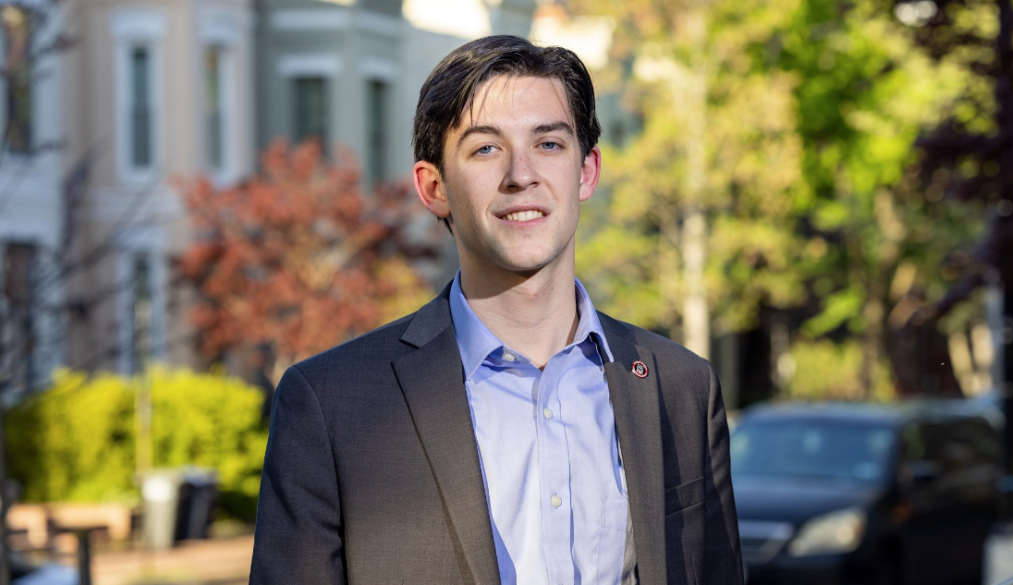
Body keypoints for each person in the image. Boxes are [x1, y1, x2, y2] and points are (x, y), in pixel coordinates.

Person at [249, 35, 743, 585]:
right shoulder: (331, 406)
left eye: (549, 144)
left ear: (586, 171)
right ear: (434, 187)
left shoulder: (682, 389)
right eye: (486, 148)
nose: (521, 174)